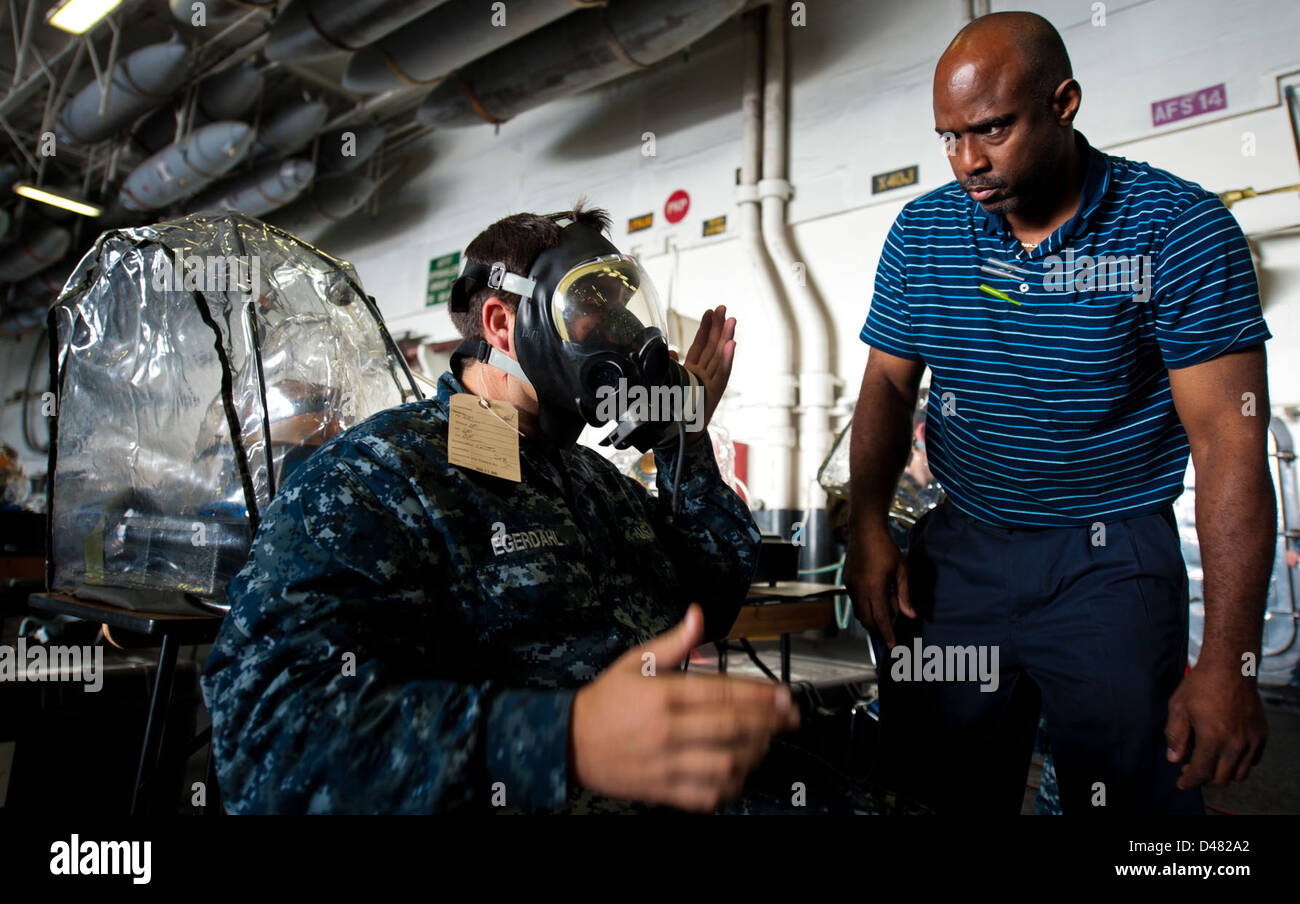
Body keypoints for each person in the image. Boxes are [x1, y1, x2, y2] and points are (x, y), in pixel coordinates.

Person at [201, 203, 801, 814]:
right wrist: (560, 739)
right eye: (592, 308)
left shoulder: (594, 482)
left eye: (624, 307)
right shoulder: (378, 476)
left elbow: (712, 601)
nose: (623, 334)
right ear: (502, 325)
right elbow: (267, 735)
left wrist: (681, 437)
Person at [845, 11, 1274, 814]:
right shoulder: (923, 234)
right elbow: (889, 388)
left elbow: (1228, 442)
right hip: (963, 555)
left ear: (1064, 103)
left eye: (992, 129)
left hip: (1111, 560)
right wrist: (866, 525)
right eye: (948, 138)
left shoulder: (1177, 231)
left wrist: (1229, 662)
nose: (968, 162)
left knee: (1134, 802)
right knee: (933, 791)